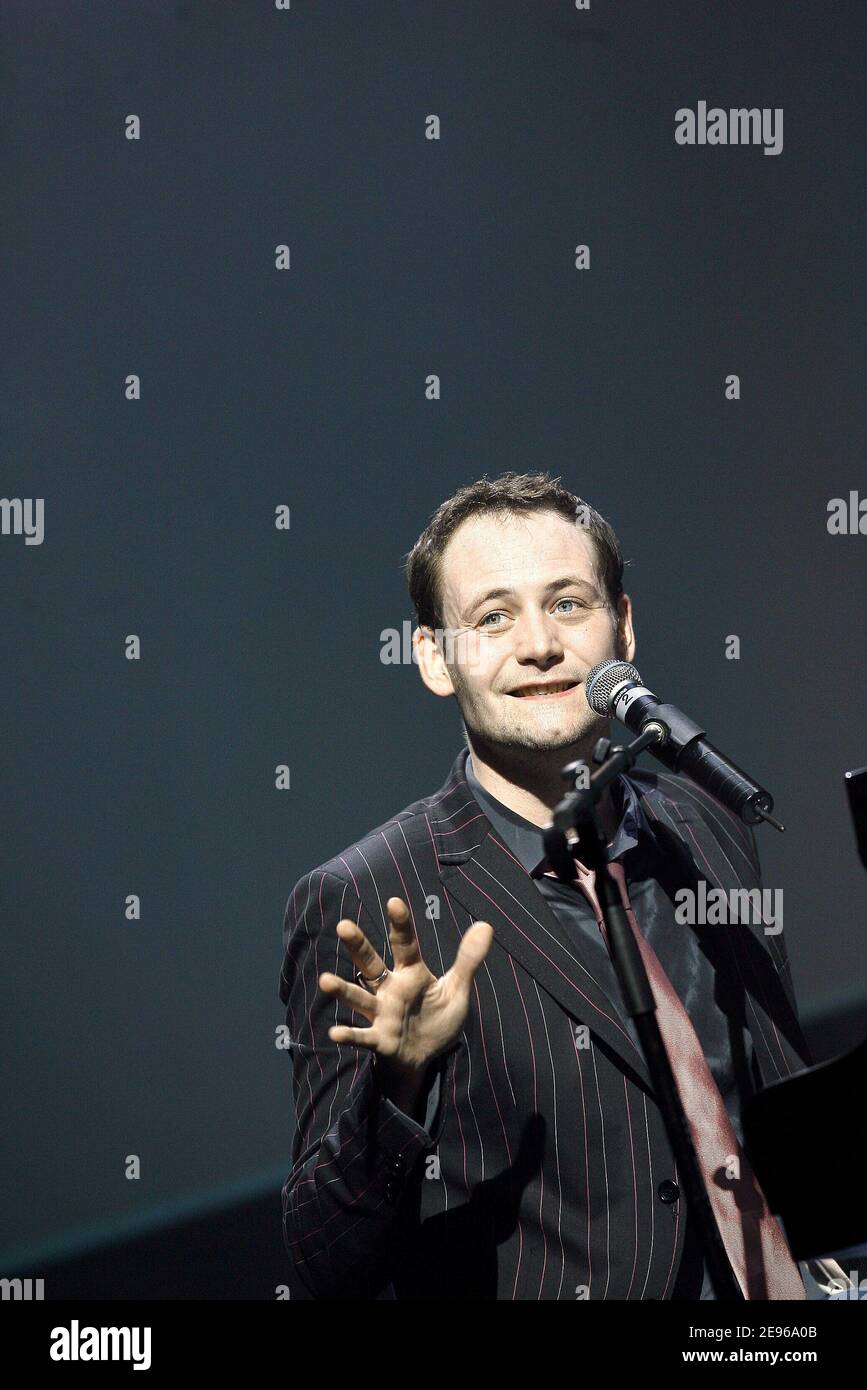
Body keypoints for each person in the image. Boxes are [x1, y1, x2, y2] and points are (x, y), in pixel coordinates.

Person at [279, 470, 851, 1300]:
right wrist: (395, 1086)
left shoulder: (702, 822)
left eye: (569, 605)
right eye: (493, 617)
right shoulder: (366, 896)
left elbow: (770, 1110)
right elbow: (321, 1262)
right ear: (434, 659)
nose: (539, 645)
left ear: (621, 628)